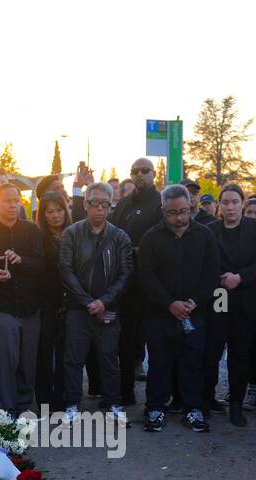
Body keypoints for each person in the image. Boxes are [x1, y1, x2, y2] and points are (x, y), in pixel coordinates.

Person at [137, 184, 218, 434]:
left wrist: (195, 301)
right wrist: (169, 303)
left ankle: (192, 409)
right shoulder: (150, 237)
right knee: (159, 362)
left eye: (184, 211)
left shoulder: (205, 235)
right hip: (159, 314)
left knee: (193, 362)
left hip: (195, 312)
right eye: (173, 213)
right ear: (163, 211)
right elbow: (146, 277)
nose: (180, 217)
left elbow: (211, 273)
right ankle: (155, 409)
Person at [58, 181, 134, 422]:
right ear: (85, 204)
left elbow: (125, 273)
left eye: (105, 204)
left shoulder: (119, 236)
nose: (100, 209)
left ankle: (113, 403)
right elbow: (65, 269)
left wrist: (105, 301)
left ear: (111, 206)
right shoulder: (72, 233)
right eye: (95, 203)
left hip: (108, 309)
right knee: (73, 358)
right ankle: (71, 403)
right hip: (78, 308)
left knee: (109, 357)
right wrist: (87, 301)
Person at [0, 183, 46, 415]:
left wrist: (21, 260)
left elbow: (42, 264)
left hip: (30, 306)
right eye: (7, 200)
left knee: (28, 359)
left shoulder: (32, 231)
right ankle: (6, 408)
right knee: (7, 359)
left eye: (16, 200)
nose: (13, 205)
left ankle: (24, 404)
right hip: (3, 306)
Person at [205, 183, 256, 427]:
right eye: (225, 202)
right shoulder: (210, 230)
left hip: (247, 300)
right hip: (220, 298)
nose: (230, 206)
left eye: (235, 201)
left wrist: (241, 277)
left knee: (240, 355)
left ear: (242, 203)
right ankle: (206, 399)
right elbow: (204, 262)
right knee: (212, 351)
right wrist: (223, 278)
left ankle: (236, 404)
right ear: (219, 205)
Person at [110, 157, 164, 407]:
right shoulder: (122, 204)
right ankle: (126, 392)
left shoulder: (161, 203)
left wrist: (145, 250)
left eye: (145, 170)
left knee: (156, 341)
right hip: (126, 285)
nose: (139, 174)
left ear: (154, 174)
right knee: (126, 342)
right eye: (135, 171)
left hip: (153, 285)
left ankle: (158, 397)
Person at [36, 191, 71, 409]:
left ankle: (64, 396)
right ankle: (45, 399)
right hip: (45, 301)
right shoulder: (38, 237)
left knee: (67, 352)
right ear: (43, 214)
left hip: (71, 300)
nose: (55, 215)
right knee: (45, 351)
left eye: (59, 210)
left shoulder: (75, 232)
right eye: (50, 211)